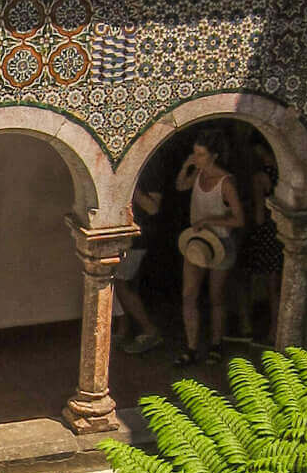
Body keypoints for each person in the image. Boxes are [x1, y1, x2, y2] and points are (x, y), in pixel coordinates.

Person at [175, 128, 243, 366]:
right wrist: (187, 166)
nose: (197, 158)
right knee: (189, 295)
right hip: (197, 242)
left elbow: (239, 219)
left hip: (220, 243)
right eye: (195, 153)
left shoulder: (226, 183)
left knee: (216, 296)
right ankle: (191, 347)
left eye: (201, 154)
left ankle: (216, 344)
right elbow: (180, 186)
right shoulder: (198, 173)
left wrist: (210, 221)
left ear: (213, 156)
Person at [117, 178, 166, 355]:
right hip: (123, 235)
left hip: (136, 239)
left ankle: (149, 330)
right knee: (122, 284)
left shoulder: (152, 172)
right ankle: (123, 330)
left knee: (121, 285)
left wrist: (128, 185)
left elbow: (152, 208)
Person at [242, 137, 284, 341]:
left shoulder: (259, 177)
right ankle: (276, 328)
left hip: (267, 234)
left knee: (270, 285)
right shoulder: (285, 174)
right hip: (283, 232)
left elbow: (259, 215)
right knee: (278, 284)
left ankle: (272, 330)